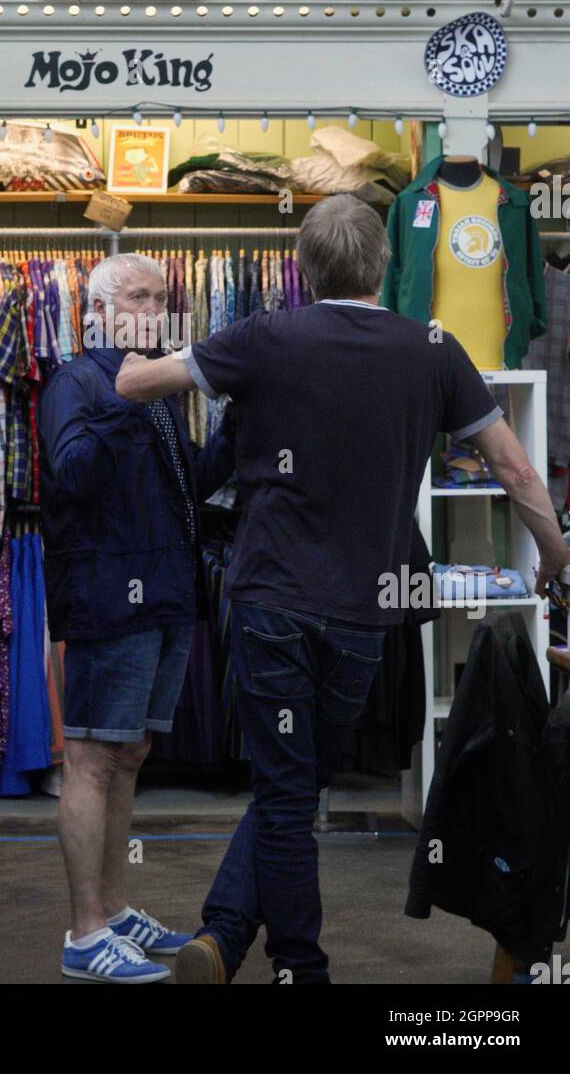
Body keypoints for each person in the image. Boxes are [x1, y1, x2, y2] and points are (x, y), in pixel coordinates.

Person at [116, 193, 570, 985]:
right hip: (367, 610)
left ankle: (292, 962)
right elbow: (516, 468)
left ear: (301, 267)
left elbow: (142, 385)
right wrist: (554, 553)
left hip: (268, 602)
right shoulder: (431, 348)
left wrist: (122, 361)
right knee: (299, 785)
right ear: (383, 266)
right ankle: (226, 940)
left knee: (287, 793)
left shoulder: (265, 336)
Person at [39, 252, 234, 984]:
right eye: (140, 300)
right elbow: (73, 475)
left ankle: (113, 913)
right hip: (105, 599)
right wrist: (127, 394)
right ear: (99, 312)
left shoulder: (155, 390)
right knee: (90, 759)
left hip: (164, 598)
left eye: (161, 300)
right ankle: (85, 933)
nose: (156, 313)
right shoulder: (76, 383)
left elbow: (192, 482)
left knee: (128, 756)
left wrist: (234, 428)